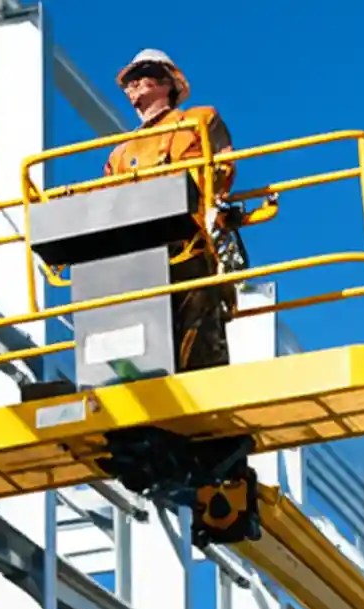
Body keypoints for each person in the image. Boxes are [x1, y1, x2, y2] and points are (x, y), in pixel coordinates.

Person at [103, 49, 237, 374]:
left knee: (198, 339)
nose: (132, 85)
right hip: (137, 254)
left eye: (141, 75)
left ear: (166, 82)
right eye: (129, 81)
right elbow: (105, 203)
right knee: (136, 347)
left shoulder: (198, 121)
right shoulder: (120, 153)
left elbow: (221, 169)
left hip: (189, 243)